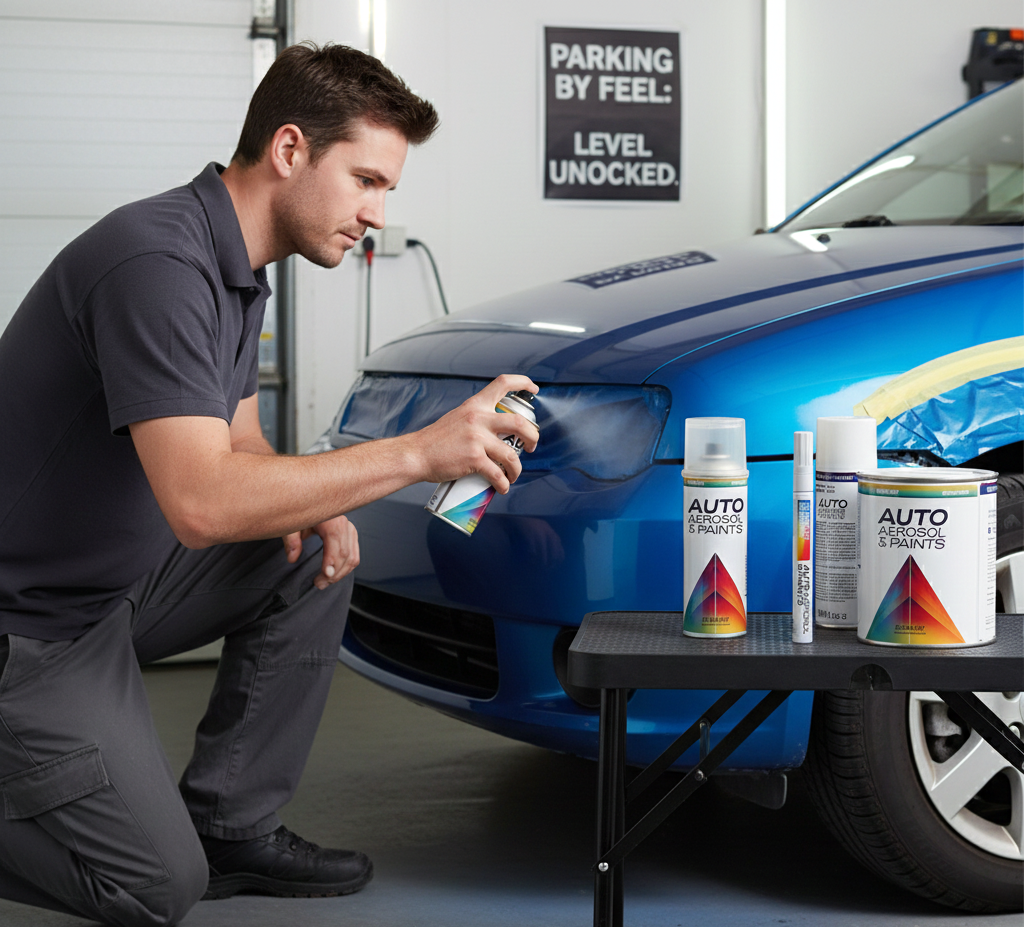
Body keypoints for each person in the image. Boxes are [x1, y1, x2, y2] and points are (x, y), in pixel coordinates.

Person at [0, 42, 538, 926]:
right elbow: (205, 502)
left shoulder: (242, 272)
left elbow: (241, 444)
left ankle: (232, 823)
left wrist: (321, 502)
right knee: (155, 886)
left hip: (112, 586)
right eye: (366, 180)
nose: (377, 212)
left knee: (309, 552)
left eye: (388, 189)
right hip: (30, 624)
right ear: (290, 149)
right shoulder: (156, 265)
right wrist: (415, 453)